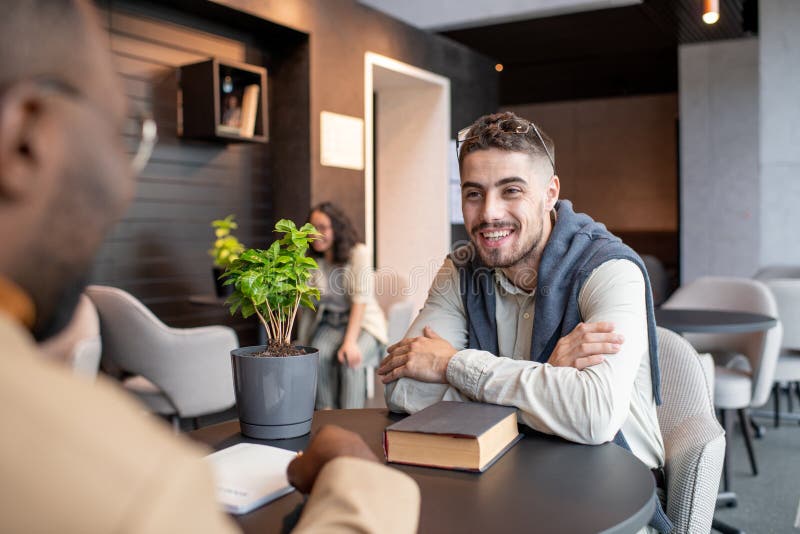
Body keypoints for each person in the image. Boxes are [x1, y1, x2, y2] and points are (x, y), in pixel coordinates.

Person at [0, 1, 418, 532]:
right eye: (122, 131)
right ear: (26, 136)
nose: (126, 184)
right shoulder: (135, 486)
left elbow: (357, 303)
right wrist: (361, 482)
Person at [378, 111, 670, 533]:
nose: (489, 213)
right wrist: (548, 378)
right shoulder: (460, 269)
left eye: (511, 190)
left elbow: (594, 416)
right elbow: (402, 388)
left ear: (550, 193)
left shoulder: (609, 269)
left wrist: (451, 365)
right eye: (474, 194)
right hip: (500, 482)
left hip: (614, 497)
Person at [298, 202, 388, 409]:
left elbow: (360, 300)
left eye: (322, 227)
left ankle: (350, 421)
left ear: (336, 229)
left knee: (350, 361)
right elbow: (302, 301)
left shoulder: (358, 253)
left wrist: (350, 342)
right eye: (311, 228)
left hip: (362, 324)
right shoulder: (310, 260)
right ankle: (326, 416)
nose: (315, 234)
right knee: (317, 357)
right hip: (329, 322)